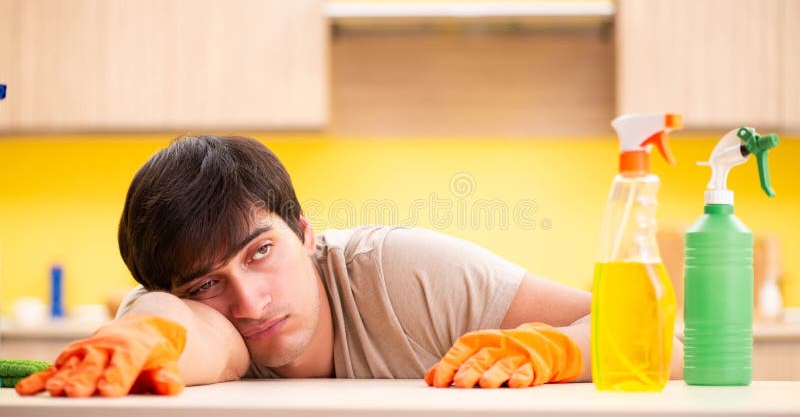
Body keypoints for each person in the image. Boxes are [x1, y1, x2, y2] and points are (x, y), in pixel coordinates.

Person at [16, 135, 684, 397]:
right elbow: (181, 329)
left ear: (305, 232)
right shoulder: (200, 325)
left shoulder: (406, 271)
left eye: (261, 252)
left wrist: (552, 350)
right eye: (206, 283)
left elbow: (664, 343)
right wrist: (143, 335)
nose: (247, 303)